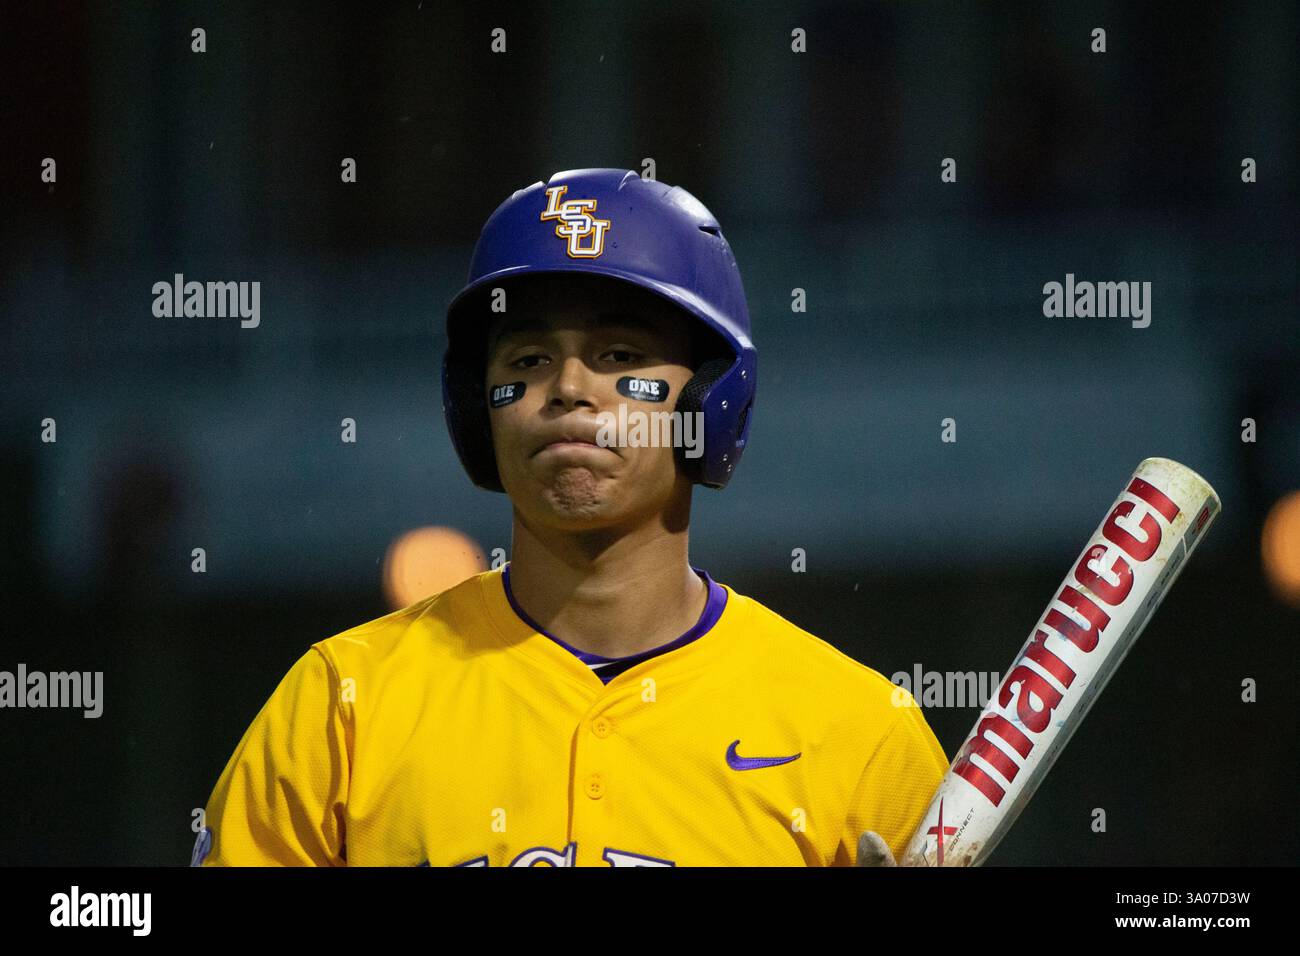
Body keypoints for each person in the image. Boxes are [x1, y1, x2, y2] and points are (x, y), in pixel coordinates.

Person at [194, 168, 947, 867]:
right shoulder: (341, 706)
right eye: (525, 362)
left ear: (712, 400)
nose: (569, 388)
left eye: (620, 354)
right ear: (473, 408)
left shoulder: (860, 737)